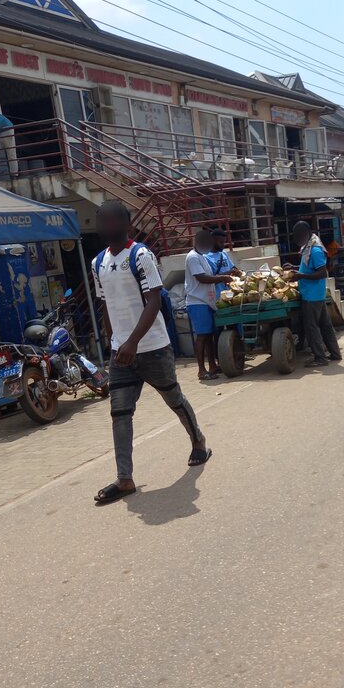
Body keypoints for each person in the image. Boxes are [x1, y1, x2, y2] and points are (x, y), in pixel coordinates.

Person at [91, 201, 210, 504]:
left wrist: (132, 342)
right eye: (101, 220)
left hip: (153, 348)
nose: (106, 225)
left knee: (173, 399)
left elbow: (154, 301)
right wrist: (114, 341)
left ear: (126, 224)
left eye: (112, 220)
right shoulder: (97, 263)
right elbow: (104, 304)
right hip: (121, 353)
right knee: (119, 413)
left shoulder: (140, 256)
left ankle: (198, 441)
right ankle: (125, 478)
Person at [285, 220, 341, 368]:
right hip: (316, 294)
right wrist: (295, 268)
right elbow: (309, 267)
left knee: (312, 327)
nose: (296, 239)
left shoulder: (315, 250)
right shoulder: (308, 247)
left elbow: (322, 273)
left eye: (298, 235)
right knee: (325, 325)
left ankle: (320, 357)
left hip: (312, 296)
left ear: (306, 233)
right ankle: (335, 353)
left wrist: (301, 276)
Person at [185, 229, 238, 380]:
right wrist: (223, 278)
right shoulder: (193, 257)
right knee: (202, 336)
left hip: (206, 301)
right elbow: (202, 278)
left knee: (209, 335)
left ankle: (213, 366)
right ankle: (201, 370)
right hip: (197, 301)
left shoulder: (201, 257)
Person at [205, 227, 236, 299]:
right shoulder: (206, 257)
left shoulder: (224, 254)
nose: (223, 245)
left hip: (230, 294)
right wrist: (229, 273)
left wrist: (237, 272)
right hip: (217, 296)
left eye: (224, 242)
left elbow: (232, 267)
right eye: (221, 242)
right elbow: (209, 278)